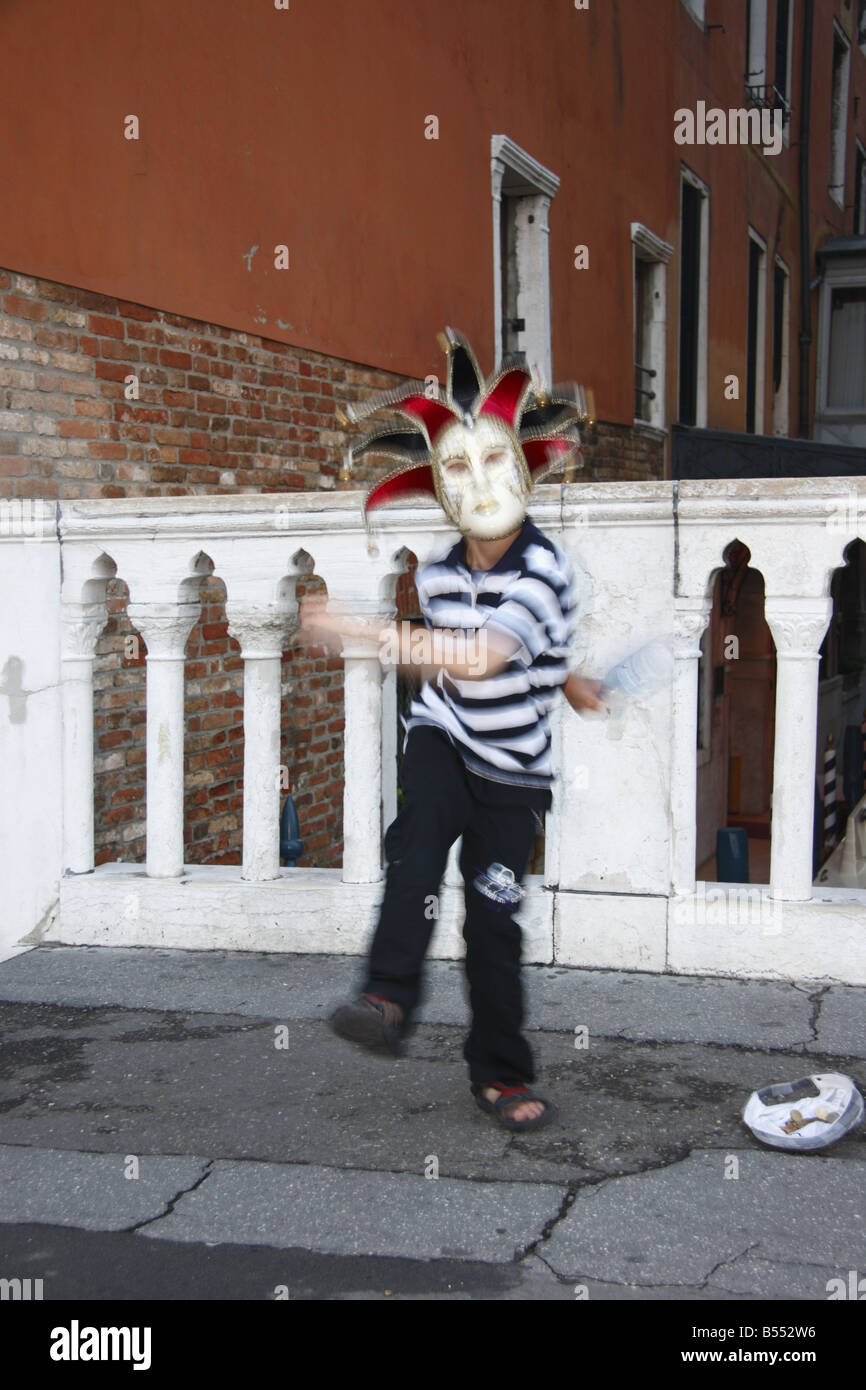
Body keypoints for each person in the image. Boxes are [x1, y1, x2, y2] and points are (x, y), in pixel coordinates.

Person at [298, 328, 605, 1132]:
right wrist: (565, 677)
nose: (479, 482)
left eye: (495, 459)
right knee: (417, 848)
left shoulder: (546, 572)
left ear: (525, 469)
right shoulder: (435, 572)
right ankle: (386, 997)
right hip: (443, 737)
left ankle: (499, 1073)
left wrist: (360, 633)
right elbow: (465, 666)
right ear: (436, 486)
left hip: (512, 778)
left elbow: (483, 656)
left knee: (493, 924)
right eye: (457, 467)